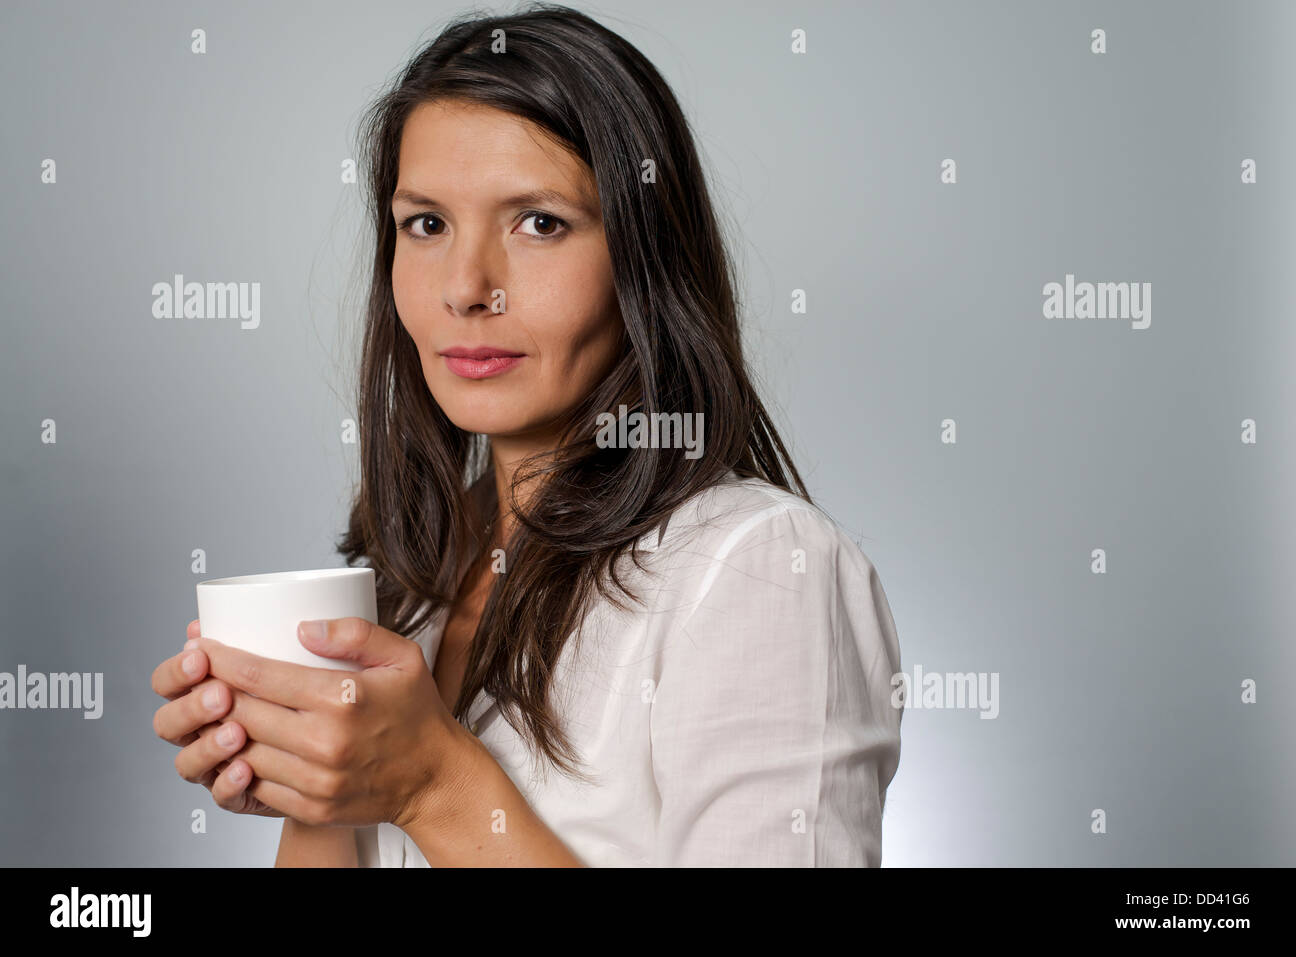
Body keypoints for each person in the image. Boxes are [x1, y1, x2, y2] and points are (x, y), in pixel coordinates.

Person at [150, 3, 903, 867]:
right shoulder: (413, 590)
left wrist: (431, 786)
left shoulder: (760, 569)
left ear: (643, 258)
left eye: (539, 222)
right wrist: (316, 781)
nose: (468, 287)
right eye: (425, 224)